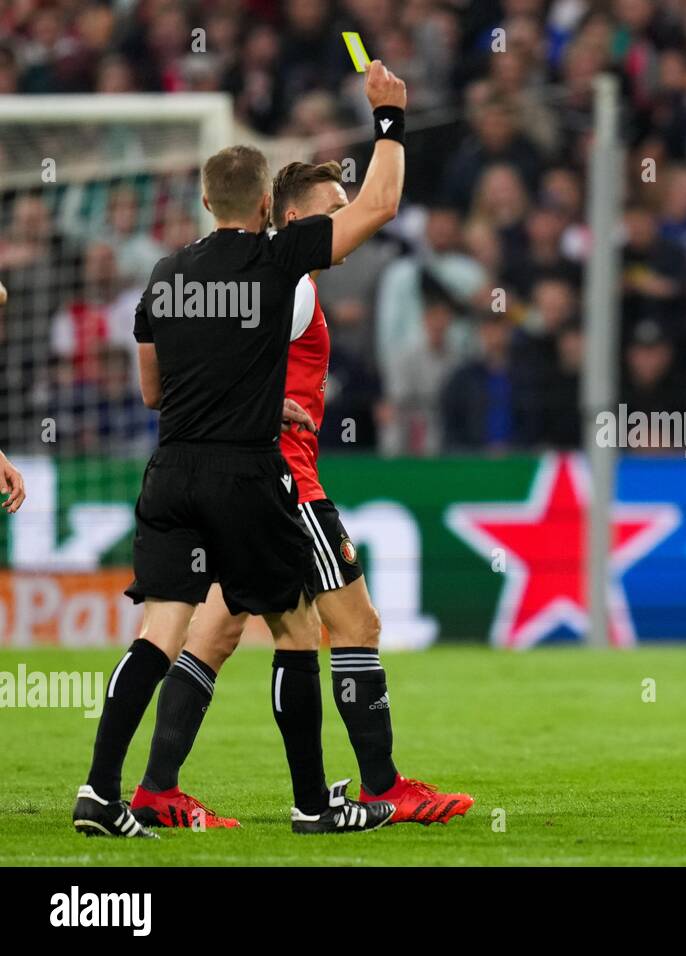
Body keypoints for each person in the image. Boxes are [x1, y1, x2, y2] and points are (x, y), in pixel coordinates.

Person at [72, 60, 409, 838]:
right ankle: (313, 805)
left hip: (168, 475)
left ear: (201, 200)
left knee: (162, 633)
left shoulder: (162, 276)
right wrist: (388, 117)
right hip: (247, 475)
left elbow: (153, 392)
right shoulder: (276, 261)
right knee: (295, 632)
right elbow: (382, 203)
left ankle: (100, 790)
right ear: (265, 206)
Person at [128, 159, 473, 830]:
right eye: (330, 207)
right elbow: (381, 204)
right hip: (283, 482)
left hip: (229, 476)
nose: (343, 218)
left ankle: (155, 788)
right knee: (355, 626)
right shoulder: (291, 286)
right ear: (289, 217)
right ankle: (378, 788)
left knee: (217, 632)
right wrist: (390, 122)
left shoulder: (270, 282)